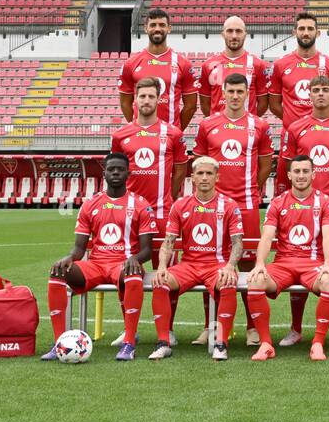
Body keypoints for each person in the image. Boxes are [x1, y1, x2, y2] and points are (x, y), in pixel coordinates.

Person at [43, 153, 155, 362]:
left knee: (133, 274)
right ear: (104, 173)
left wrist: (135, 259)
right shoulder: (90, 204)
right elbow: (79, 248)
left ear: (128, 174)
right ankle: (59, 343)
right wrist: (69, 257)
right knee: (57, 272)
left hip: (123, 264)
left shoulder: (140, 204)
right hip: (95, 264)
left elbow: (147, 249)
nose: (115, 172)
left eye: (120, 169)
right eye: (111, 169)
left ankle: (129, 343)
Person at [192, 72, 274, 346]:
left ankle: (252, 327)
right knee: (210, 262)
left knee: (249, 264)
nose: (236, 96)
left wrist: (251, 189)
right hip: (212, 206)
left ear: (247, 94)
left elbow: (264, 166)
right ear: (223, 93)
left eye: (241, 92)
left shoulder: (259, 125)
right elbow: (200, 162)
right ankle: (210, 326)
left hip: (246, 205)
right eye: (231, 91)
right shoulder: (208, 125)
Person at [109, 75, 188, 347]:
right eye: (141, 96)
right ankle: (129, 326)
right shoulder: (121, 135)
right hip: (128, 215)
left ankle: (168, 327)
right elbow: (117, 171)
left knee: (165, 270)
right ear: (134, 100)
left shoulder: (172, 133)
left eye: (151, 96)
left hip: (162, 212)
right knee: (126, 267)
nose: (146, 100)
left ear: (158, 99)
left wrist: (168, 196)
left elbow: (180, 170)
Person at [282, 73, 329, 348]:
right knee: (296, 261)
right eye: (316, 90)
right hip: (301, 210)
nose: (321, 95)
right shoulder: (296, 128)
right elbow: (286, 169)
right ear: (309, 94)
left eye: (326, 90)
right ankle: (295, 328)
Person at [244, 156, 329, 361]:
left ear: (313, 174)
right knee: (255, 280)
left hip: (312, 264)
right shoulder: (278, 202)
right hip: (283, 264)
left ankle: (317, 344)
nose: (301, 175)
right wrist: (260, 264)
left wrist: (328, 264)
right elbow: (267, 236)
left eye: (306, 171)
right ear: (289, 175)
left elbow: (328, 236)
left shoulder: (325, 202)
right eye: (296, 171)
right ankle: (265, 344)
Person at [148, 157, 243, 361]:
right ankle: (163, 342)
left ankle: (221, 343)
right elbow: (168, 242)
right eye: (200, 173)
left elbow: (237, 243)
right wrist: (163, 266)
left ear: (218, 177)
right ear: (192, 178)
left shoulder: (229, 205)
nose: (205, 177)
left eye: (209, 173)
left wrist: (230, 266)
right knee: (160, 282)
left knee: (228, 283)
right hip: (189, 265)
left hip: (216, 265)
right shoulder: (180, 205)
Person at [269, 10, 329, 162]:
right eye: (301, 29)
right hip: (290, 135)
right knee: (288, 180)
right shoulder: (280, 64)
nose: (306, 33)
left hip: (322, 134)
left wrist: (317, 122)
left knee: (321, 179)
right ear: (294, 31)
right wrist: (294, 122)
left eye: (310, 29)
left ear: (318, 33)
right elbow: (274, 104)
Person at [118, 7, 197, 130]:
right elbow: (125, 103)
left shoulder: (183, 64)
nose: (157, 29)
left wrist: (175, 131)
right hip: (140, 134)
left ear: (169, 28)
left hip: (170, 137)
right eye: (153, 25)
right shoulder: (131, 64)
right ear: (146, 28)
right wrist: (136, 127)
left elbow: (191, 106)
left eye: (162, 25)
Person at [199, 15, 269, 118]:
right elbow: (205, 104)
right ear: (223, 34)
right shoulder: (208, 65)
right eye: (230, 31)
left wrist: (246, 120)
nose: (234, 36)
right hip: (218, 129)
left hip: (246, 129)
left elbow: (263, 104)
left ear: (245, 35)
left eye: (239, 31)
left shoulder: (258, 65)